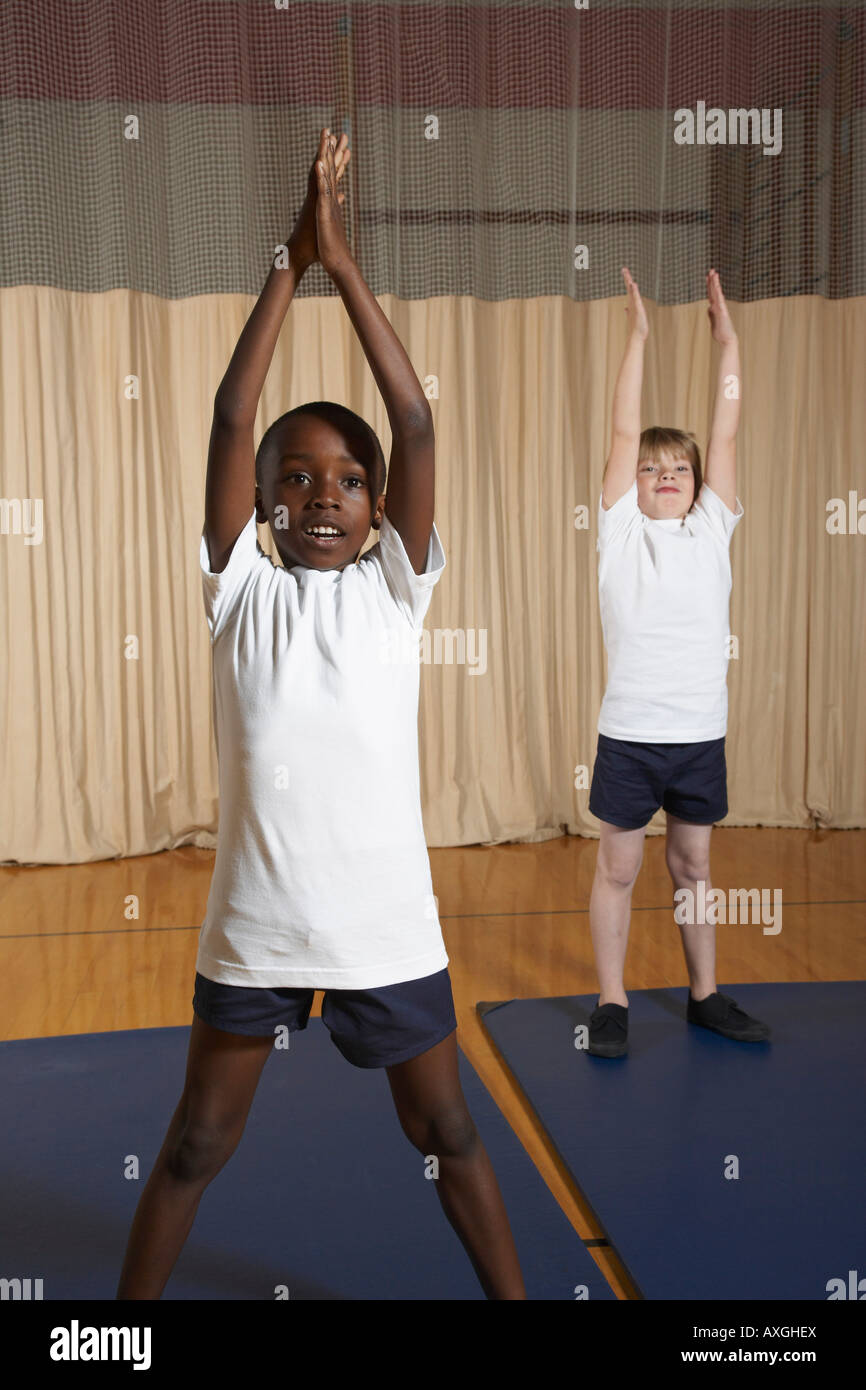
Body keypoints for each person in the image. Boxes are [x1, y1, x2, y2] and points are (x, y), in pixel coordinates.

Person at [116, 129, 525, 1299]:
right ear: (259, 501)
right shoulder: (236, 585)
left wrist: (342, 263)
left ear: (380, 504)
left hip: (385, 925)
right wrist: (284, 268)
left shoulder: (396, 591)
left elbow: (420, 422)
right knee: (196, 1140)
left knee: (445, 1135)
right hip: (257, 924)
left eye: (348, 479)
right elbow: (226, 416)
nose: (321, 495)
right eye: (294, 476)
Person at [586, 266, 770, 1058]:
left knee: (694, 866)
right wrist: (639, 337)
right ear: (635, 485)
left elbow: (724, 430)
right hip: (630, 734)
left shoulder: (711, 531)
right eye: (653, 470)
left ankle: (705, 995)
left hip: (698, 733)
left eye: (680, 470)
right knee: (620, 871)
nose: (665, 476)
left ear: (698, 488)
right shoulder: (620, 532)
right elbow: (625, 432)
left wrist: (727, 344)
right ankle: (613, 1001)